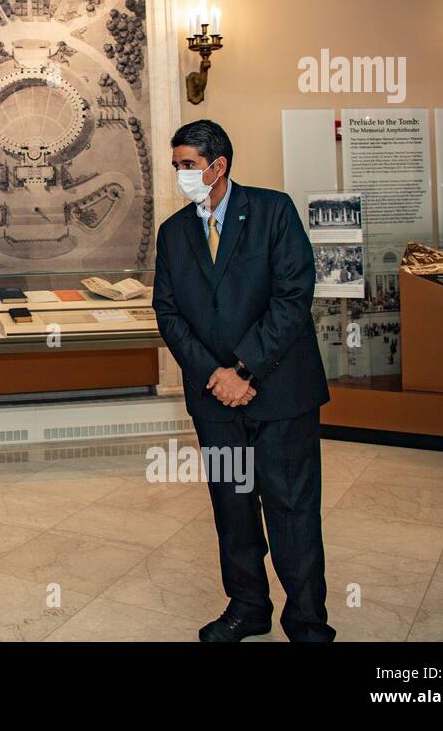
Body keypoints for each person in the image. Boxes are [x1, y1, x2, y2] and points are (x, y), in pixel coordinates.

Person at [152, 119, 335, 642]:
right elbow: (168, 312)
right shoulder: (174, 231)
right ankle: (248, 606)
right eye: (177, 166)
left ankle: (306, 620)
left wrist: (245, 369)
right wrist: (215, 375)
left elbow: (293, 295)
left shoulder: (273, 211)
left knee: (292, 508)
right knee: (232, 506)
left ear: (218, 166)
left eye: (188, 165)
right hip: (215, 400)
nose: (181, 175)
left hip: (279, 392)